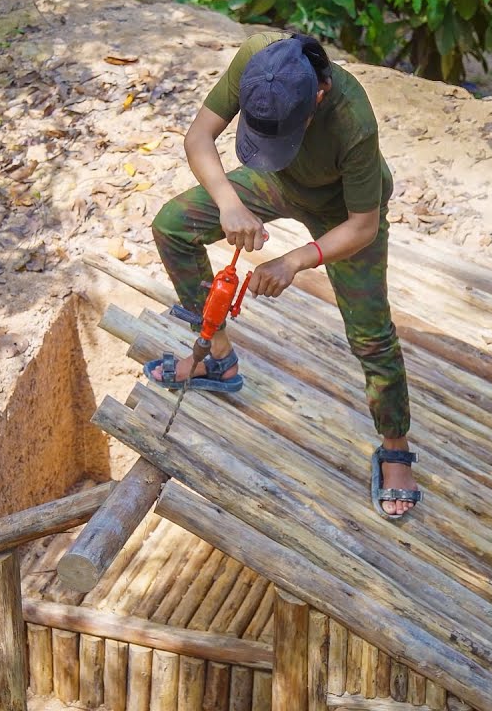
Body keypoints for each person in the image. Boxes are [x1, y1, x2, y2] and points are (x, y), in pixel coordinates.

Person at [142, 31, 421, 520]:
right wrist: (228, 204)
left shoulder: (351, 116)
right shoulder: (258, 59)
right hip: (274, 181)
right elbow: (198, 137)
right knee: (173, 226)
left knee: (371, 333)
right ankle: (217, 359)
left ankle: (395, 446)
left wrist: (293, 261)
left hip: (343, 209)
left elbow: (362, 226)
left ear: (317, 96)